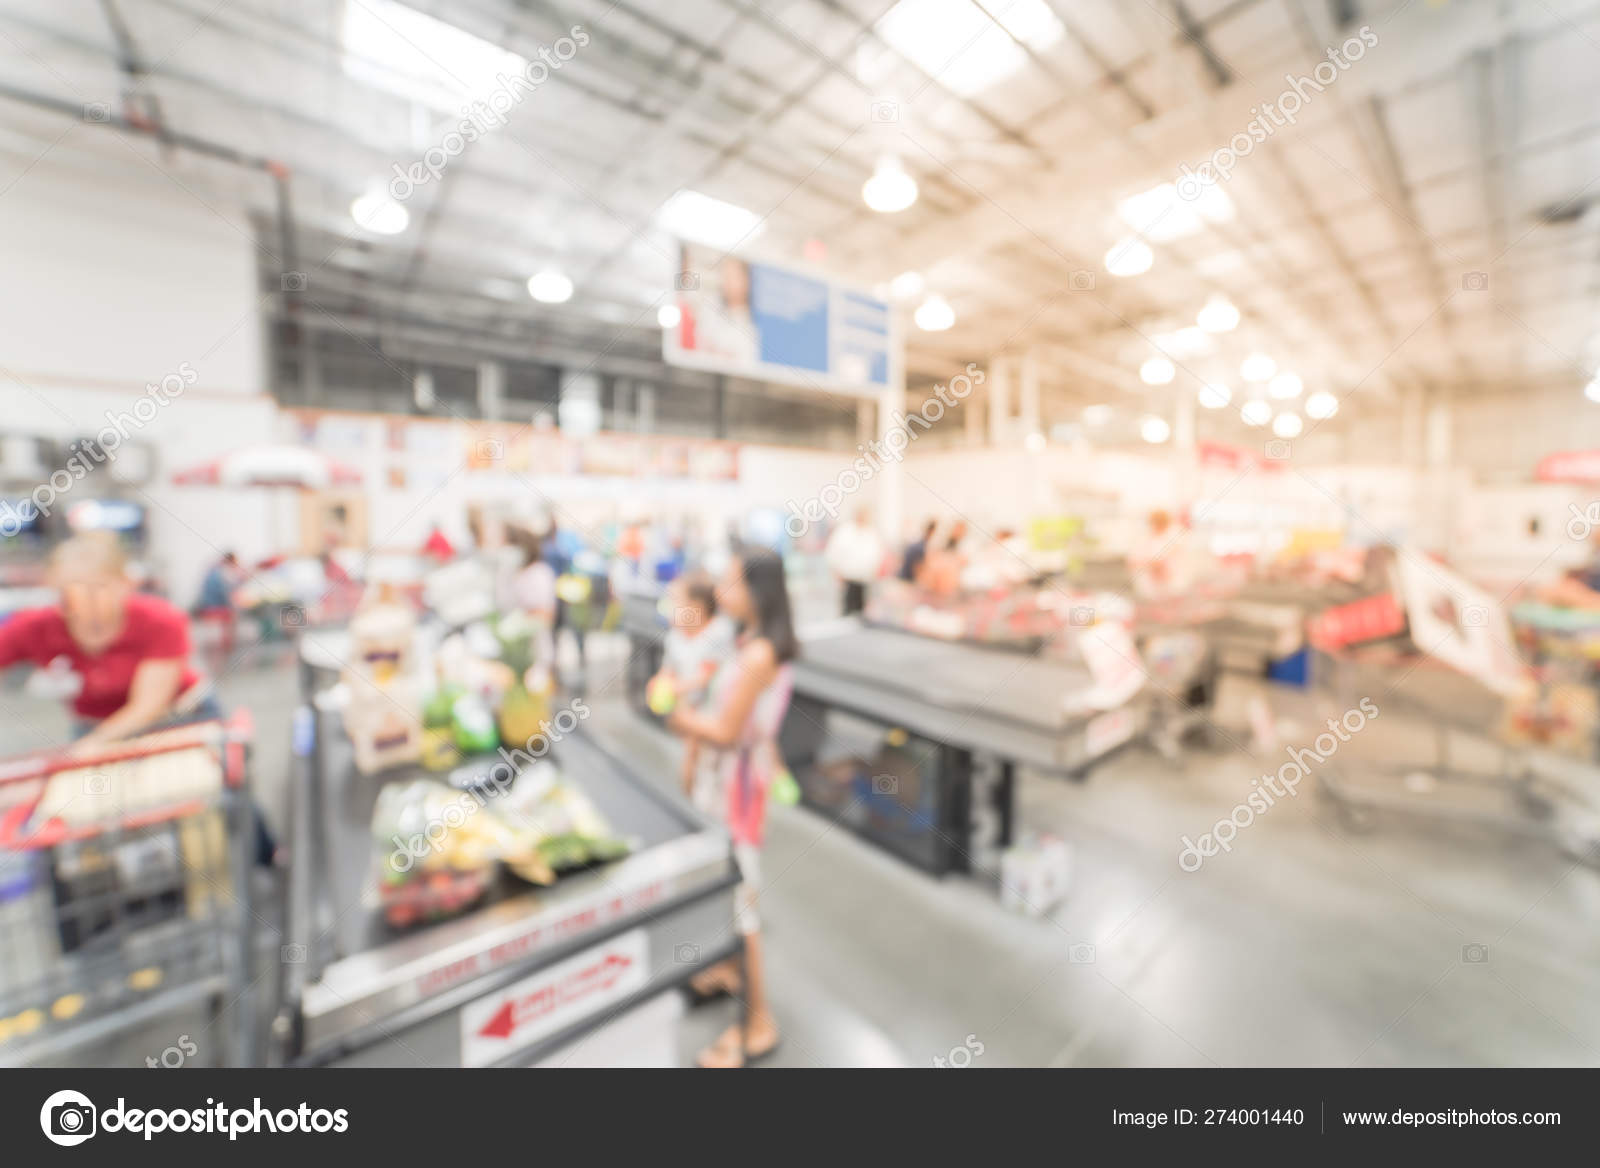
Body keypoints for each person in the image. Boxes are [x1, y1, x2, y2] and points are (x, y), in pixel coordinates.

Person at [0, 533, 277, 862]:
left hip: (179, 718)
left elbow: (148, 706)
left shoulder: (160, 620)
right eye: (69, 593)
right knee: (86, 811)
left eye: (96, 588)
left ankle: (267, 853)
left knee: (223, 790)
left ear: (124, 584)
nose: (84, 605)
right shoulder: (37, 626)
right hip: (95, 725)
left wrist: (85, 749)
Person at [668, 547, 796, 1068]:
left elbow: (724, 730)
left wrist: (682, 721)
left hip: (736, 791)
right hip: (738, 783)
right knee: (725, 889)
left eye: (732, 585)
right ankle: (730, 971)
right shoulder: (750, 644)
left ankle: (758, 1021)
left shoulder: (758, 654)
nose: (722, 594)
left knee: (742, 900)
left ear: (757, 592)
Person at [651, 571, 735, 795]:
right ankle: (691, 796)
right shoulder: (675, 636)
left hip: (713, 711)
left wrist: (675, 688)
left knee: (703, 762)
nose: (669, 608)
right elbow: (668, 669)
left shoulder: (718, 632)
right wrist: (660, 682)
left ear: (696, 607)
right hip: (688, 709)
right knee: (690, 758)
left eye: (675, 601)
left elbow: (708, 675)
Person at [825, 506, 885, 616]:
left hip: (865, 580)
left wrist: (876, 571)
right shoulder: (844, 531)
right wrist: (836, 571)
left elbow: (877, 554)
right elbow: (833, 552)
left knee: (862, 611)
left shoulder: (871, 532)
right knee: (847, 610)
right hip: (848, 578)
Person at [899, 518, 937, 584]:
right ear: (932, 531)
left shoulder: (914, 543)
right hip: (906, 581)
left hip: (902, 578)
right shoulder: (921, 548)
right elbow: (917, 571)